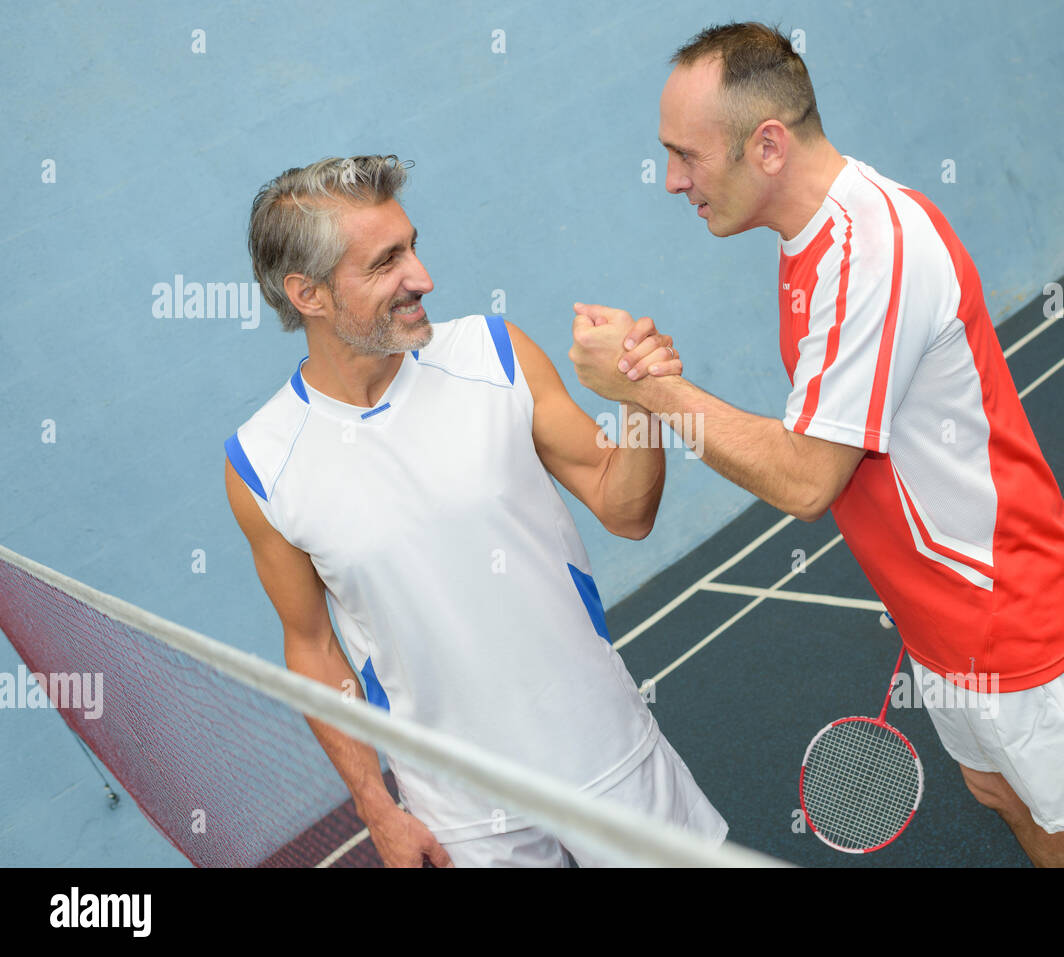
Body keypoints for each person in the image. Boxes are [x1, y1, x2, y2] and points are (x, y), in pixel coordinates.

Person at [567, 22, 1064, 867]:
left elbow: (807, 478)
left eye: (686, 155)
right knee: (1009, 795)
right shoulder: (807, 239)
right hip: (937, 616)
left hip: (1009, 607)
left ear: (768, 145)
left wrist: (648, 393)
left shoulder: (871, 251)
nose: (672, 181)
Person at [223, 154, 725, 867]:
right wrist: (375, 804)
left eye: (414, 246)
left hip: (604, 753)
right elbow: (311, 646)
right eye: (386, 262)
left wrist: (639, 400)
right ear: (309, 294)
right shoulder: (261, 463)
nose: (421, 276)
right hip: (460, 814)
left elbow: (627, 509)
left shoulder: (495, 355)